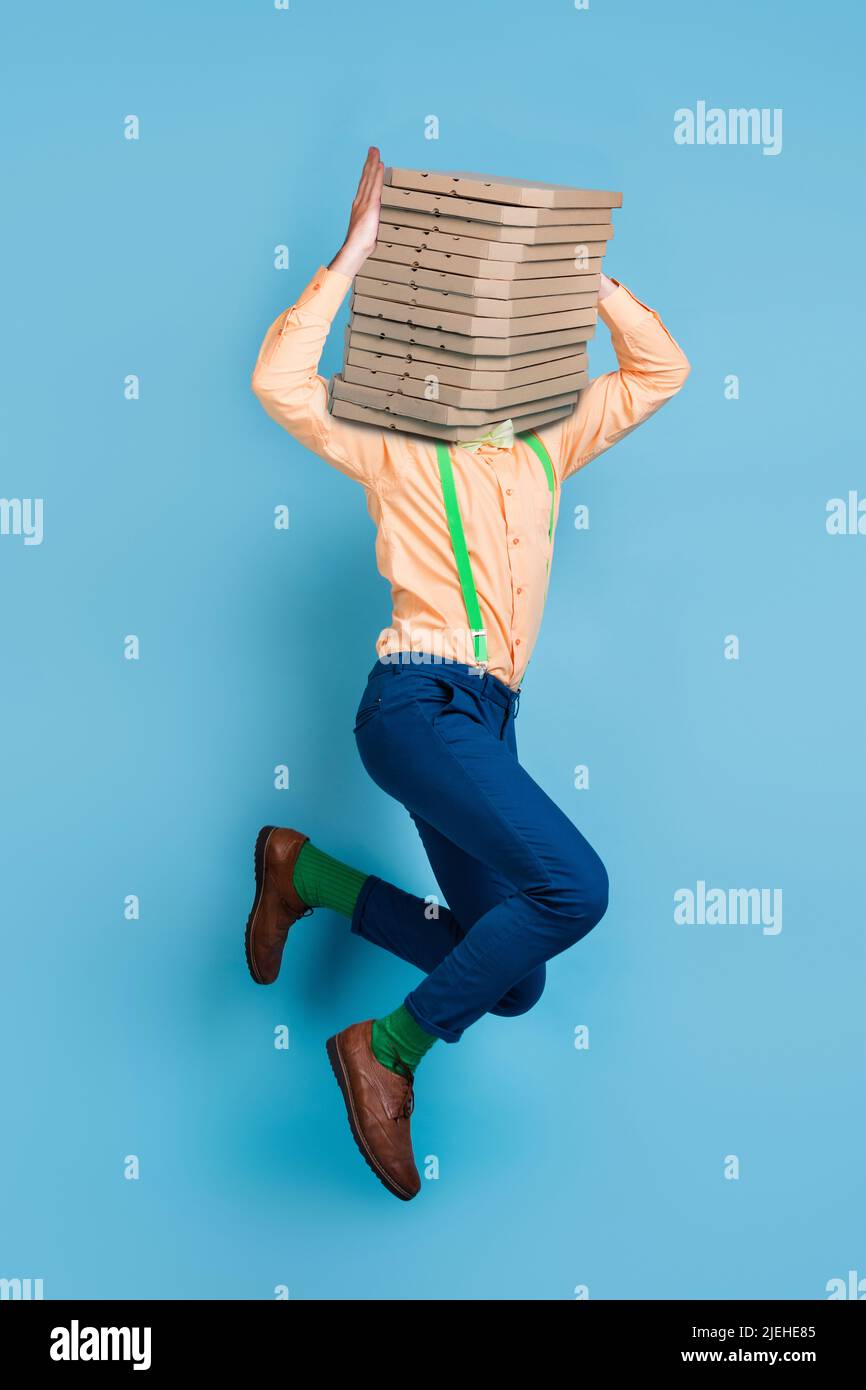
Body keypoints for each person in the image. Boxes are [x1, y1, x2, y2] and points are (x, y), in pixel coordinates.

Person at [247, 146, 690, 1201]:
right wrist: (354, 253)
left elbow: (658, 371)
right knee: (573, 888)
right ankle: (386, 1051)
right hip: (411, 705)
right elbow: (278, 382)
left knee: (516, 977)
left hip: (487, 721)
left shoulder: (549, 442)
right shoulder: (395, 443)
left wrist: (574, 275)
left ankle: (301, 873)